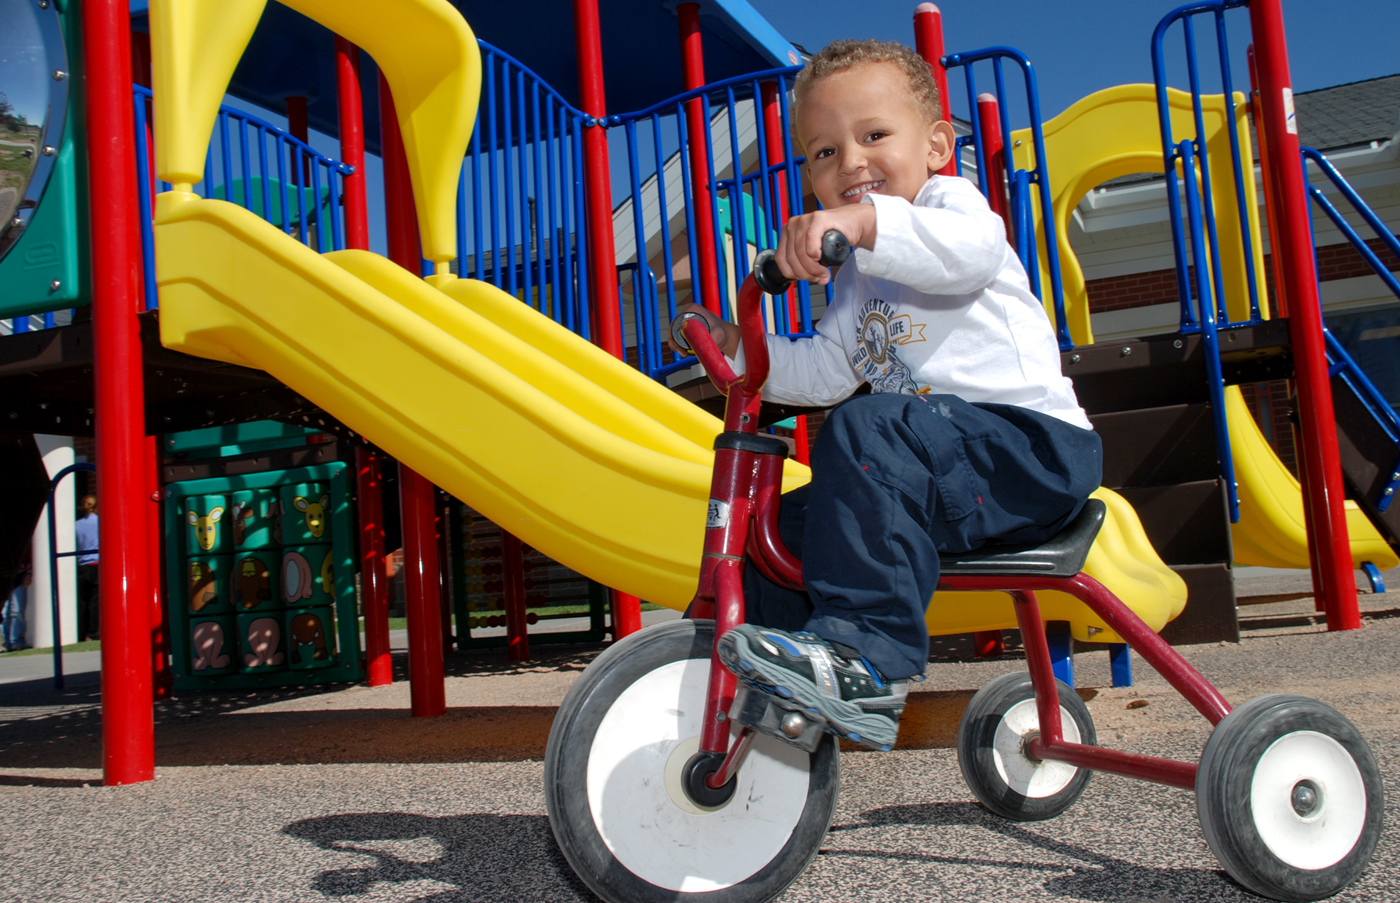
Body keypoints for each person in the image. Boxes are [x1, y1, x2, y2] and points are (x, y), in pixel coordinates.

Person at [672, 40, 1101, 751]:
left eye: (873, 136)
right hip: (938, 470)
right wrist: (739, 346)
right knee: (784, 528)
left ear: (936, 145)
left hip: (1030, 451)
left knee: (869, 428)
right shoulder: (854, 280)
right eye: (823, 153)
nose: (851, 164)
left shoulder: (950, 205)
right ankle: (758, 660)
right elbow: (828, 370)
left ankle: (866, 656)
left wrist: (863, 224)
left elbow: (969, 252)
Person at [75, 493, 99, 641]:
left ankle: (81, 632)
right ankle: (92, 633)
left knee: (82, 602)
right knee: (95, 602)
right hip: (96, 564)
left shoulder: (76, 525)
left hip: (82, 566)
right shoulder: (101, 522)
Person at [3, 569, 30, 652]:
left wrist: (28, 574)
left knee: (17, 612)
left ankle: (17, 642)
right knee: (4, 614)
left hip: (18, 578)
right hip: (4, 580)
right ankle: (8, 643)